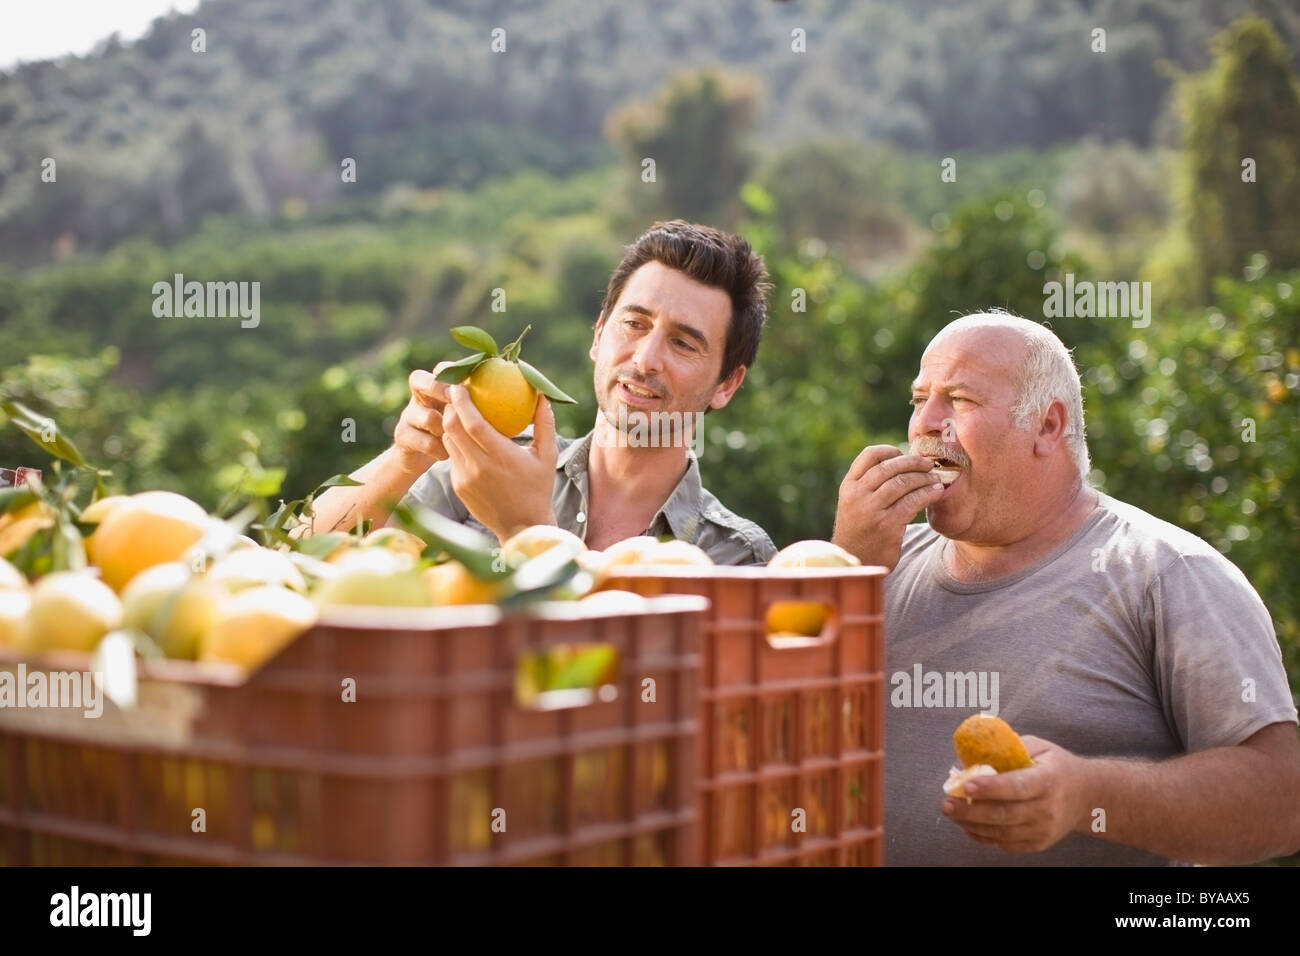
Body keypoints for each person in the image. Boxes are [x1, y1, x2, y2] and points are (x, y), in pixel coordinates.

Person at [832, 311, 1300, 865]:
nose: (926, 424)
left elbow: (1283, 801)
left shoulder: (1170, 573)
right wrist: (842, 574)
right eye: (919, 398)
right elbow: (753, 741)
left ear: (1047, 427)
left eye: (958, 399)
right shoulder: (869, 566)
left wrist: (1086, 796)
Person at [307, 220, 776, 564]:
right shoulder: (482, 470)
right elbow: (295, 560)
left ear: (726, 384)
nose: (646, 358)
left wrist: (524, 529)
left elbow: (617, 687)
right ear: (598, 336)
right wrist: (405, 459)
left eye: (682, 343)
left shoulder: (734, 556)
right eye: (634, 324)